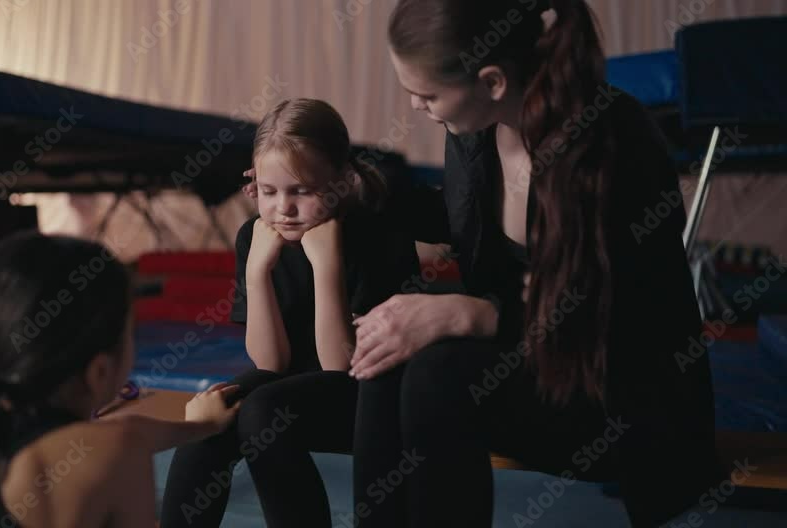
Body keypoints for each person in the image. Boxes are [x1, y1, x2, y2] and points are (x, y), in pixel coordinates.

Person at [348, 0, 725, 526]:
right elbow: (462, 217)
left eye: (427, 93)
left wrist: (470, 313)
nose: (415, 105)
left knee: (438, 372)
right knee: (389, 355)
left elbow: (614, 322)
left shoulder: (614, 142)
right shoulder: (474, 129)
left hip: (614, 401)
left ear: (493, 81)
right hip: (531, 369)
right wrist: (350, 190)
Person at [159, 98, 421, 528]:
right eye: (269, 191)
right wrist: (258, 270)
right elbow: (270, 363)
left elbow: (341, 367)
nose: (284, 207)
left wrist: (327, 266)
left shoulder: (378, 236)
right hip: (292, 391)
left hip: (372, 398)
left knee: (263, 410)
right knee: (219, 409)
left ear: (341, 182)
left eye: (301, 191)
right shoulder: (256, 238)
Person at [0, 231, 239, 528]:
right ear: (100, 371)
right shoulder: (112, 454)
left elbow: (129, 432)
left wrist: (201, 426)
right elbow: (122, 441)